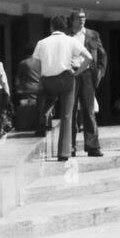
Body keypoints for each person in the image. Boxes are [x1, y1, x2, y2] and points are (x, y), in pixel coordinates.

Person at [33, 15, 93, 161]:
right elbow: (89, 58)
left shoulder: (42, 42)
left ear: (51, 27)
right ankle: (64, 153)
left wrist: (44, 74)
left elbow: (35, 65)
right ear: (65, 27)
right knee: (67, 116)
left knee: (48, 97)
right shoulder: (70, 40)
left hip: (47, 80)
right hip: (66, 79)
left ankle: (46, 111)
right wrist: (76, 72)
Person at [69, 8, 107, 157]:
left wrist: (100, 73)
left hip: (87, 75)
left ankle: (92, 146)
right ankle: (70, 146)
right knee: (70, 111)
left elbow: (103, 55)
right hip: (71, 73)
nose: (82, 20)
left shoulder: (93, 35)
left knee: (89, 111)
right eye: (79, 17)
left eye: (84, 17)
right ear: (72, 20)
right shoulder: (67, 36)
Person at [13, 48, 44, 134]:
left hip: (26, 89)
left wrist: (17, 88)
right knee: (39, 108)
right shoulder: (41, 62)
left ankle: (26, 125)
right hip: (39, 88)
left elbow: (18, 77)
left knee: (26, 107)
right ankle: (39, 125)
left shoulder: (23, 63)